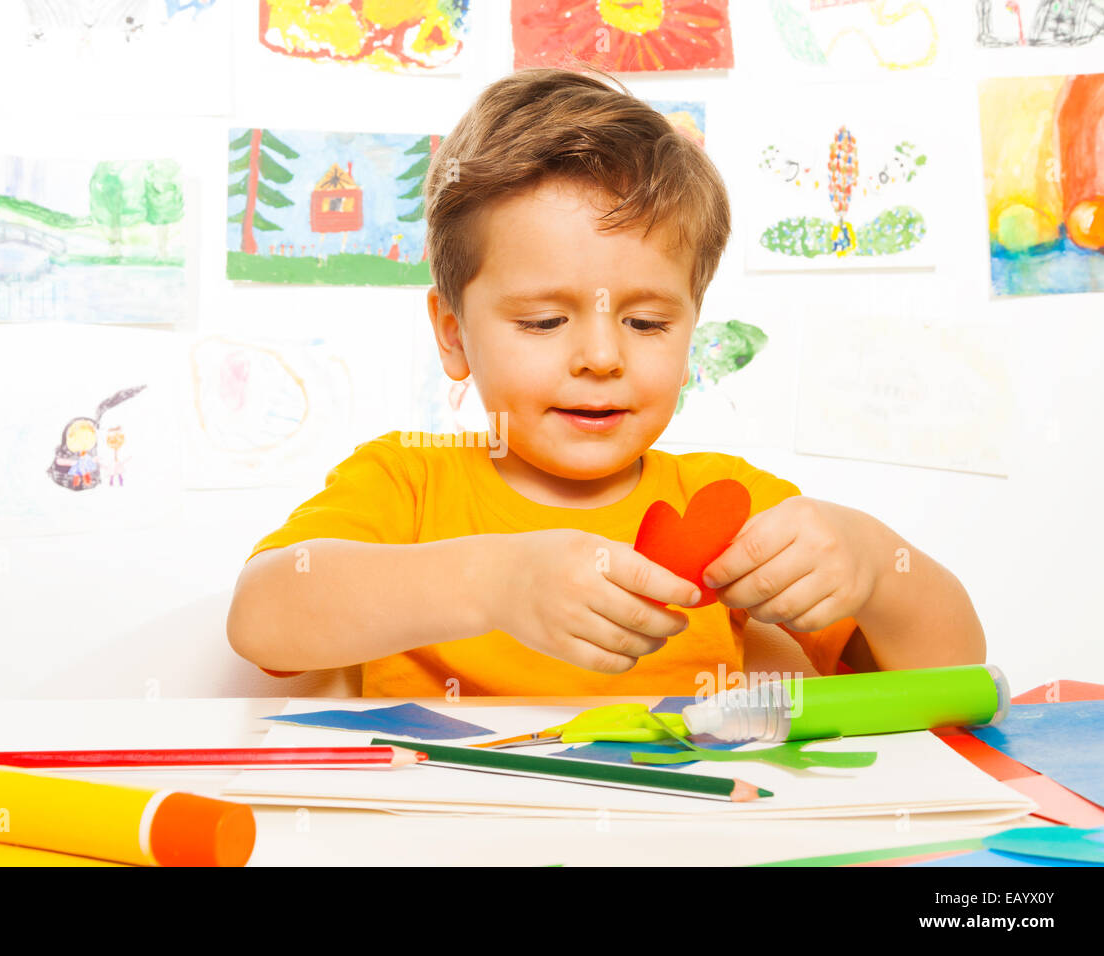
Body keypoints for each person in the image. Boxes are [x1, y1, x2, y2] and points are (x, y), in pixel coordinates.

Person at [226, 67, 985, 697]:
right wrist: (495, 582)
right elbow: (264, 619)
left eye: (647, 324)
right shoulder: (407, 482)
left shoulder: (732, 507)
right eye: (544, 323)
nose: (600, 357)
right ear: (454, 335)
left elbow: (953, 680)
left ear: (692, 328)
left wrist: (878, 564)